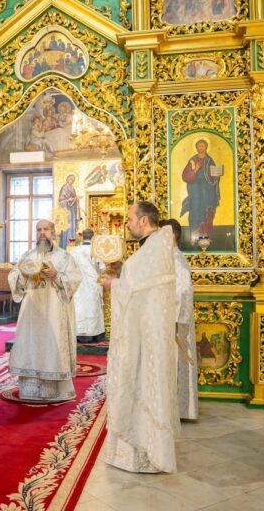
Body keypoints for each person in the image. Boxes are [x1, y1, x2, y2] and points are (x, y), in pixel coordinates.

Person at [101, 201, 178, 473]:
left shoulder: (155, 247)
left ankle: (146, 453)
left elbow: (135, 290)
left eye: (131, 219)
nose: (128, 224)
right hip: (145, 332)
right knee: (141, 384)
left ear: (144, 220)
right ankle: (135, 451)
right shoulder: (154, 246)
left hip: (145, 336)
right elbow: (141, 285)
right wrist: (123, 273)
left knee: (143, 385)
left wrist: (113, 284)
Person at [8, 220, 83, 401]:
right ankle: (30, 390)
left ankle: (56, 391)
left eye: (46, 229)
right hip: (32, 312)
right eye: (39, 230)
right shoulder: (27, 256)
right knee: (31, 347)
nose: (42, 233)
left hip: (54, 312)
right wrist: (22, 276)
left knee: (53, 346)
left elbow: (74, 279)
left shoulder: (64, 257)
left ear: (53, 232)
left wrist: (56, 275)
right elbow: (14, 277)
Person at [160, 218, 198, 420]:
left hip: (174, 324)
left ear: (172, 236)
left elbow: (182, 292)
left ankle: (176, 409)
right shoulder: (168, 257)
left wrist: (164, 311)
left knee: (176, 365)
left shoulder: (176, 259)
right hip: (170, 321)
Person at [180, 139, 221, 238]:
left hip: (208, 192)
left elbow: (213, 176)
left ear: (206, 147)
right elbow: (185, 176)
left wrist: (217, 176)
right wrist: (195, 170)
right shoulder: (193, 160)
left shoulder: (209, 160)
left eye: (203, 146)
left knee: (208, 212)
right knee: (195, 210)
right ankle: (194, 236)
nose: (201, 148)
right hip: (196, 191)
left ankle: (206, 236)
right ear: (196, 147)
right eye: (199, 146)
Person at [71, 229, 105, 343]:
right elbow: (102, 268)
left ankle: (79, 333)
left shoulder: (74, 250)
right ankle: (93, 334)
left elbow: (70, 268)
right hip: (93, 282)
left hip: (79, 283)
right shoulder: (96, 250)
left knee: (80, 307)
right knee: (92, 307)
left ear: (82, 237)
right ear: (93, 237)